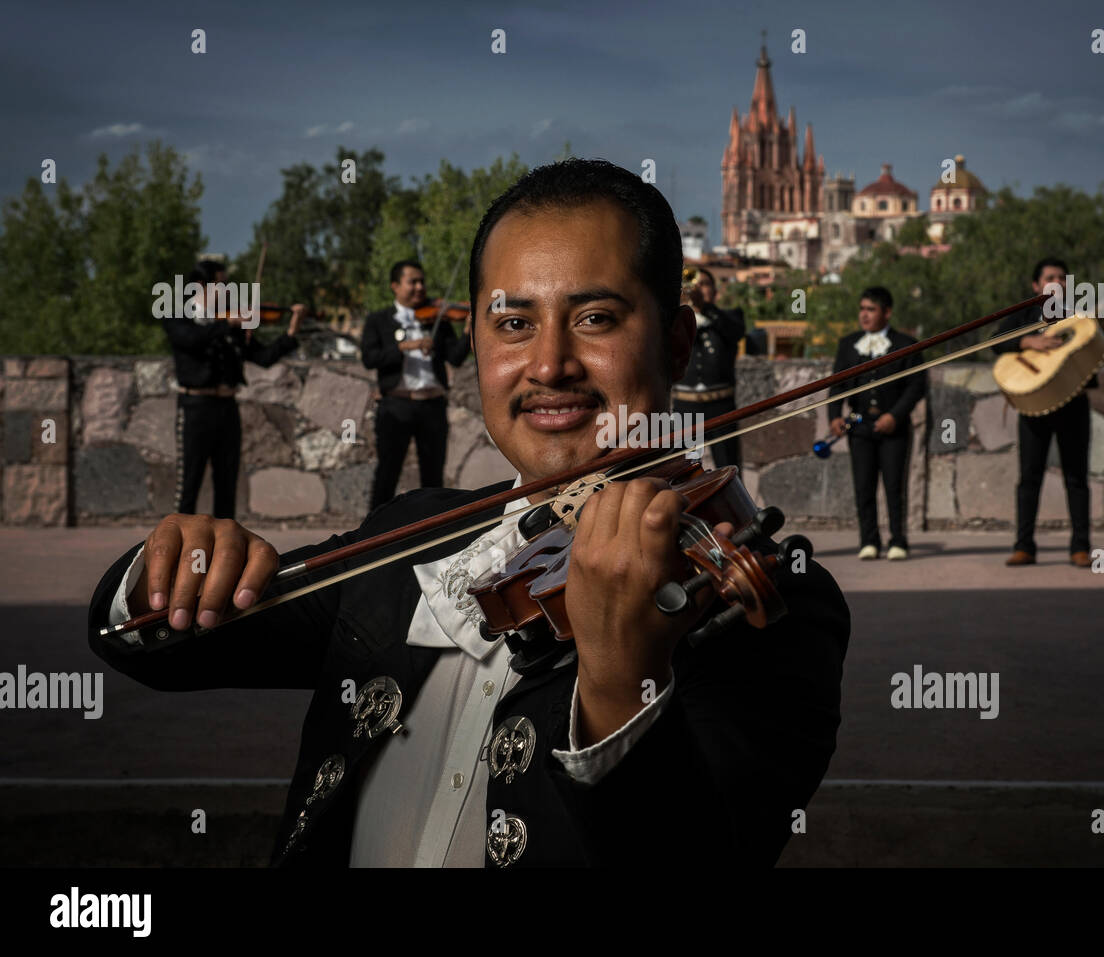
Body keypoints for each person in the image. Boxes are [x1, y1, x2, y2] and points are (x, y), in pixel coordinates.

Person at [87, 158, 849, 868]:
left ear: (678, 343)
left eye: (595, 319)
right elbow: (145, 644)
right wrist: (173, 563)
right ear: (479, 342)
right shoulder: (412, 534)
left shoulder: (775, 608)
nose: (549, 364)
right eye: (514, 323)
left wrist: (625, 683)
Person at [992, 257, 1104, 568]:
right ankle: (1024, 547)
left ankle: (1080, 547)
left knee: (1076, 477)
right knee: (1029, 477)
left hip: (1072, 402)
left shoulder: (1080, 315)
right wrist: (1026, 340)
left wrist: (1090, 334)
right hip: (1034, 404)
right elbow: (994, 342)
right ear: (1036, 286)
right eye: (1049, 278)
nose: (1056, 283)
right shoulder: (1025, 314)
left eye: (1062, 278)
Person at [165, 260, 302, 519]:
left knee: (227, 483)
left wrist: (292, 330)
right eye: (222, 284)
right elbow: (191, 339)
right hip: (195, 408)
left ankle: (223, 548)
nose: (228, 290)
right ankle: (180, 546)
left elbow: (263, 357)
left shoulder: (231, 324)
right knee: (189, 483)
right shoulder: (178, 316)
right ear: (200, 286)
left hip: (227, 408)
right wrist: (228, 323)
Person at [361, 260, 473, 512]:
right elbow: (370, 358)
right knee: (387, 472)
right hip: (396, 404)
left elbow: (454, 357)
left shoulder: (439, 319)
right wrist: (404, 346)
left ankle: (431, 535)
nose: (420, 287)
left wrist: (468, 332)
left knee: (433, 477)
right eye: (413, 281)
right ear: (395, 286)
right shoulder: (378, 320)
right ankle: (371, 536)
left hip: (433, 405)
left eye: (422, 281)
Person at [828, 287, 926, 560]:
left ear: (887, 312)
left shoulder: (907, 344)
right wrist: (834, 415)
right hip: (859, 426)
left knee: (894, 486)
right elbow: (837, 384)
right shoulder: (848, 344)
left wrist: (894, 415)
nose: (864, 315)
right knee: (863, 487)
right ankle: (868, 541)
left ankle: (898, 540)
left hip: (893, 427)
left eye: (871, 309)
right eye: (862, 308)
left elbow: (917, 386)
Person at [672, 267, 746, 469]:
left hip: (721, 406)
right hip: (685, 408)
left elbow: (735, 332)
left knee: (729, 469)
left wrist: (704, 307)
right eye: (694, 284)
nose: (698, 288)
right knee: (682, 471)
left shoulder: (730, 316)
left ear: (714, 290)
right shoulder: (676, 323)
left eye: (704, 284)